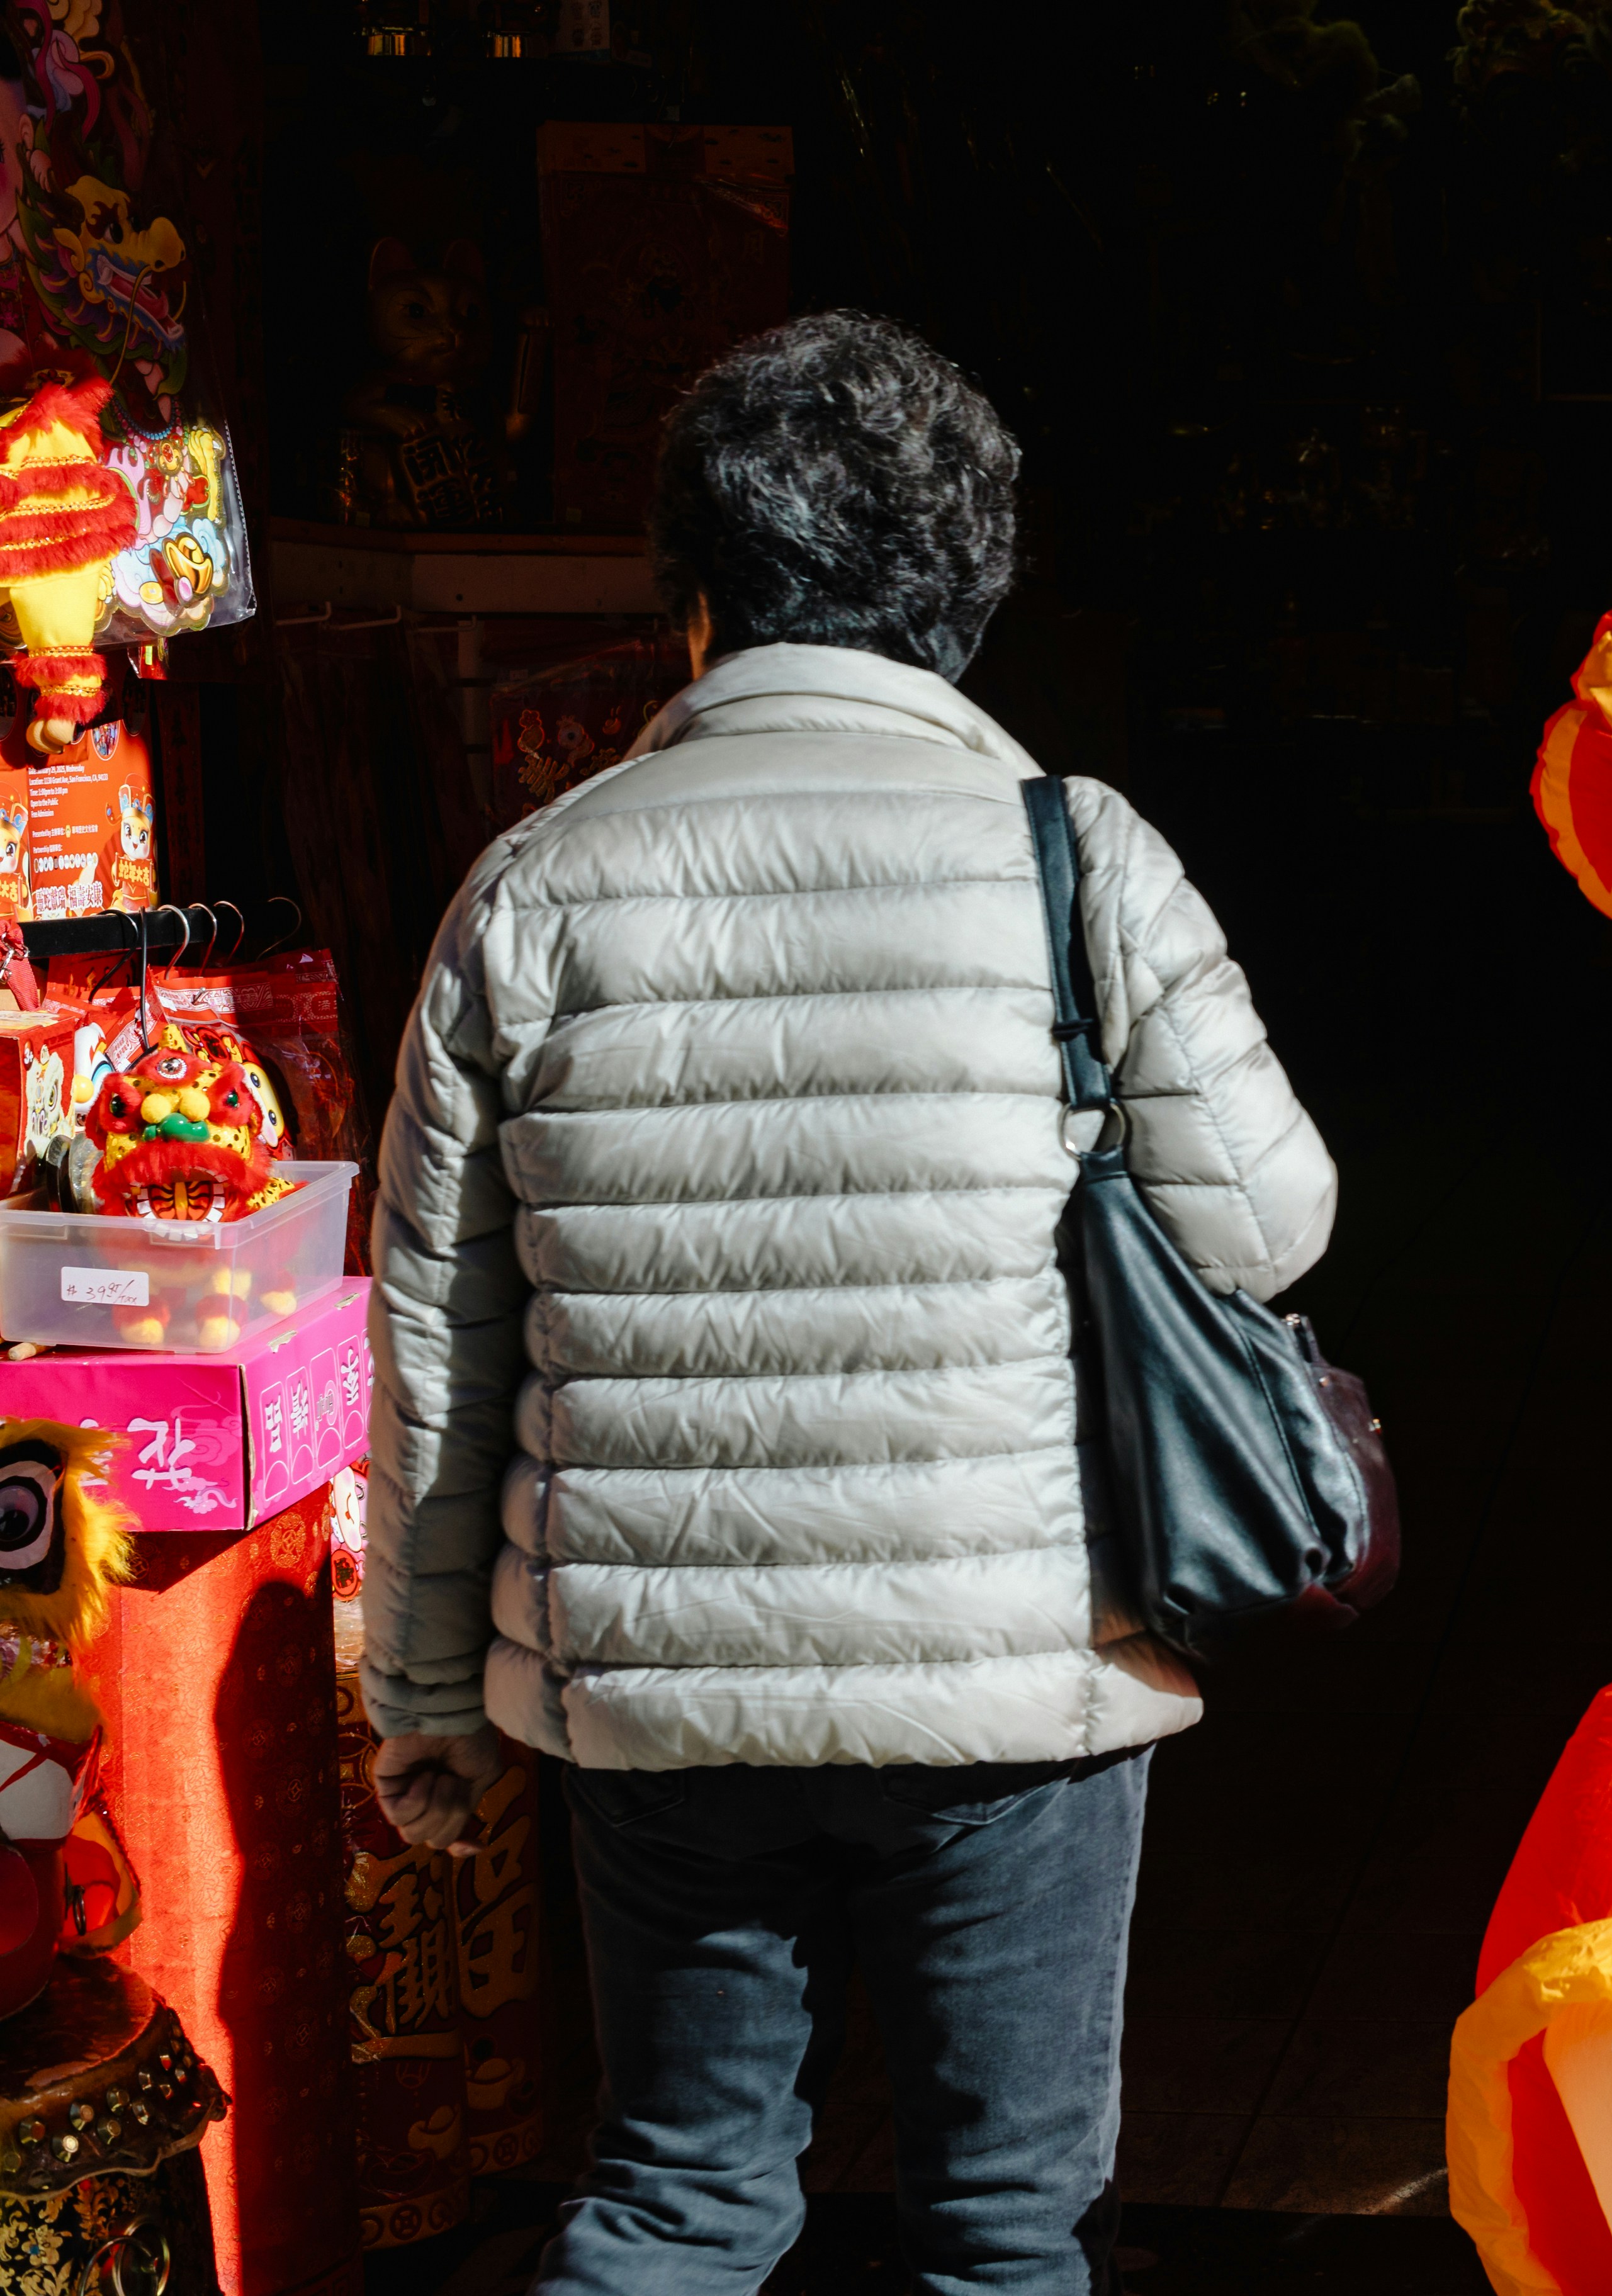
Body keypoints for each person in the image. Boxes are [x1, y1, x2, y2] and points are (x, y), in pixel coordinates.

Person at [354, 311, 1337, 2295]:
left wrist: (433, 1705)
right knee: (1006, 2229)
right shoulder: (1084, 864)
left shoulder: (532, 890)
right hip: (1015, 1669)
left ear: (698, 609)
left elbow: (438, 1356)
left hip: (655, 1686)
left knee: (675, 2200)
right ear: (960, 610)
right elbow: (1271, 1231)